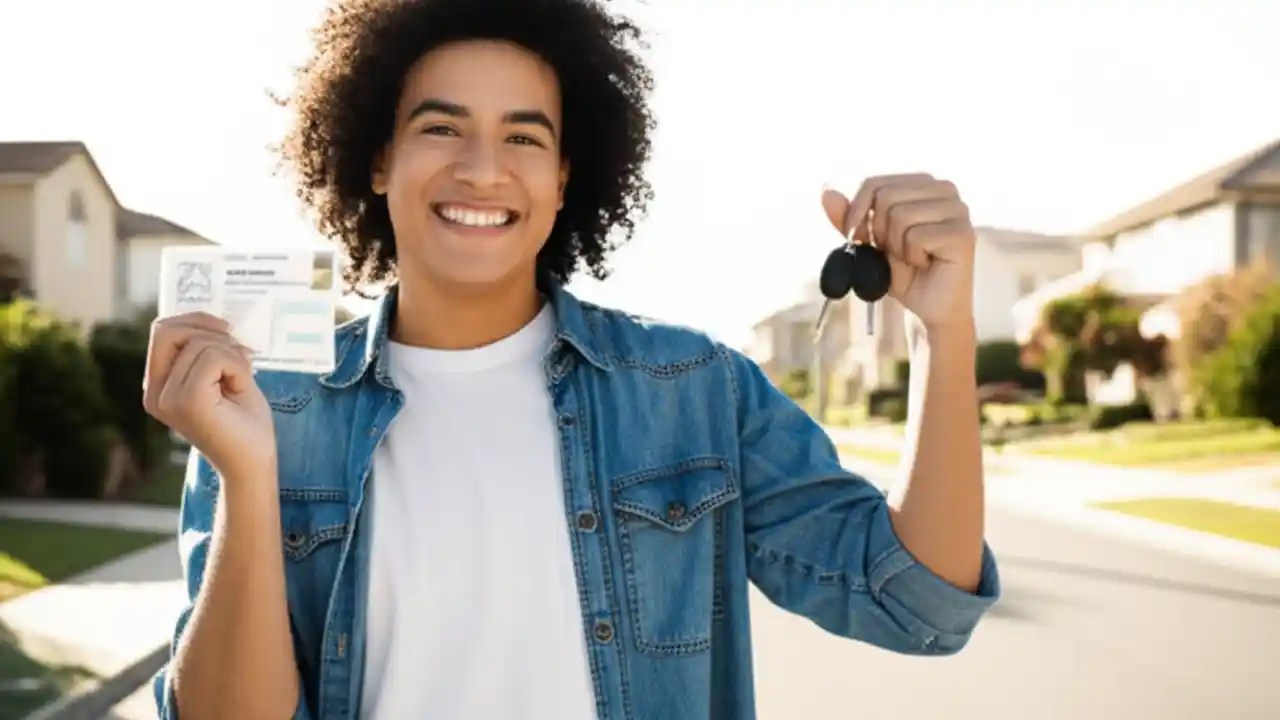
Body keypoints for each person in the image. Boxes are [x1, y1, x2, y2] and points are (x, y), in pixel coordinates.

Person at [145, 0, 1000, 718]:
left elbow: (919, 604)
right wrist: (250, 478)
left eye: (523, 138)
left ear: (563, 176)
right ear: (378, 161)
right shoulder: (269, 406)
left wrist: (942, 335)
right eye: (442, 127)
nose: (483, 170)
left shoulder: (694, 391)